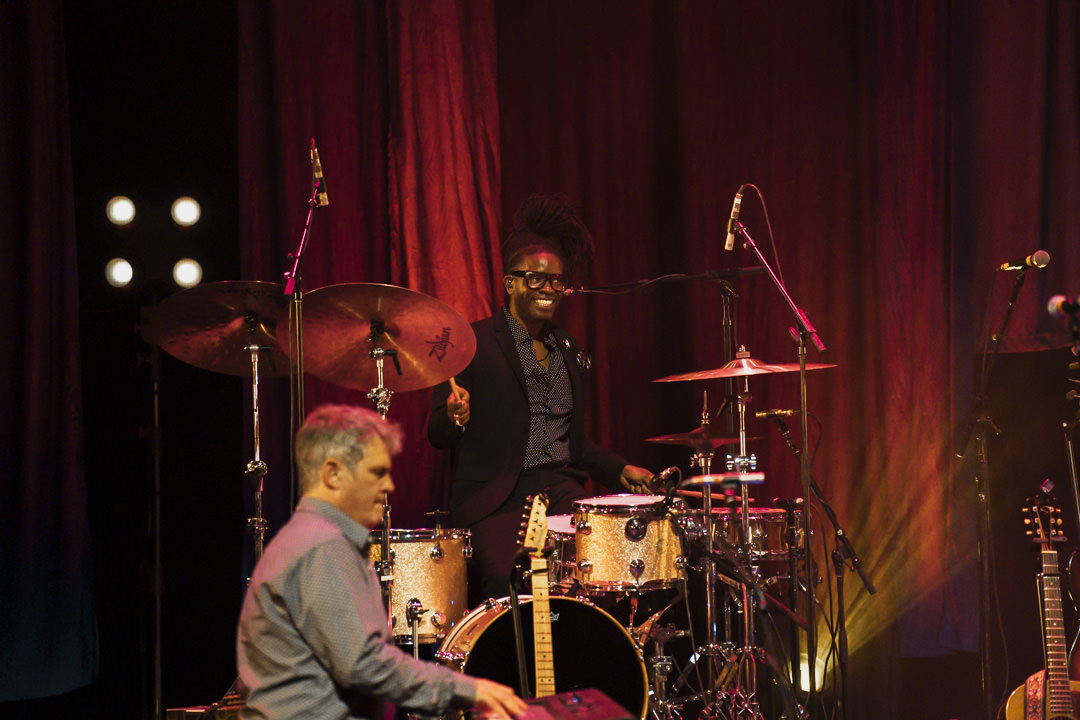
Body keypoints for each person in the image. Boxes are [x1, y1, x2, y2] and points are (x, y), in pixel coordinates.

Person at [428, 193, 655, 602]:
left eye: (557, 280)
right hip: (498, 499)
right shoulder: (471, 342)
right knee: (509, 581)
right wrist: (454, 415)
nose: (548, 288)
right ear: (510, 282)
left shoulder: (568, 347)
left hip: (563, 493)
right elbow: (436, 432)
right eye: (536, 278)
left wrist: (621, 470)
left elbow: (575, 444)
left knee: (610, 573)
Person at [236, 404, 526, 720]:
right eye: (377, 473)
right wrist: (471, 691)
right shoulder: (322, 546)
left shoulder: (309, 539)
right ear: (333, 474)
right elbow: (365, 665)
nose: (389, 485)